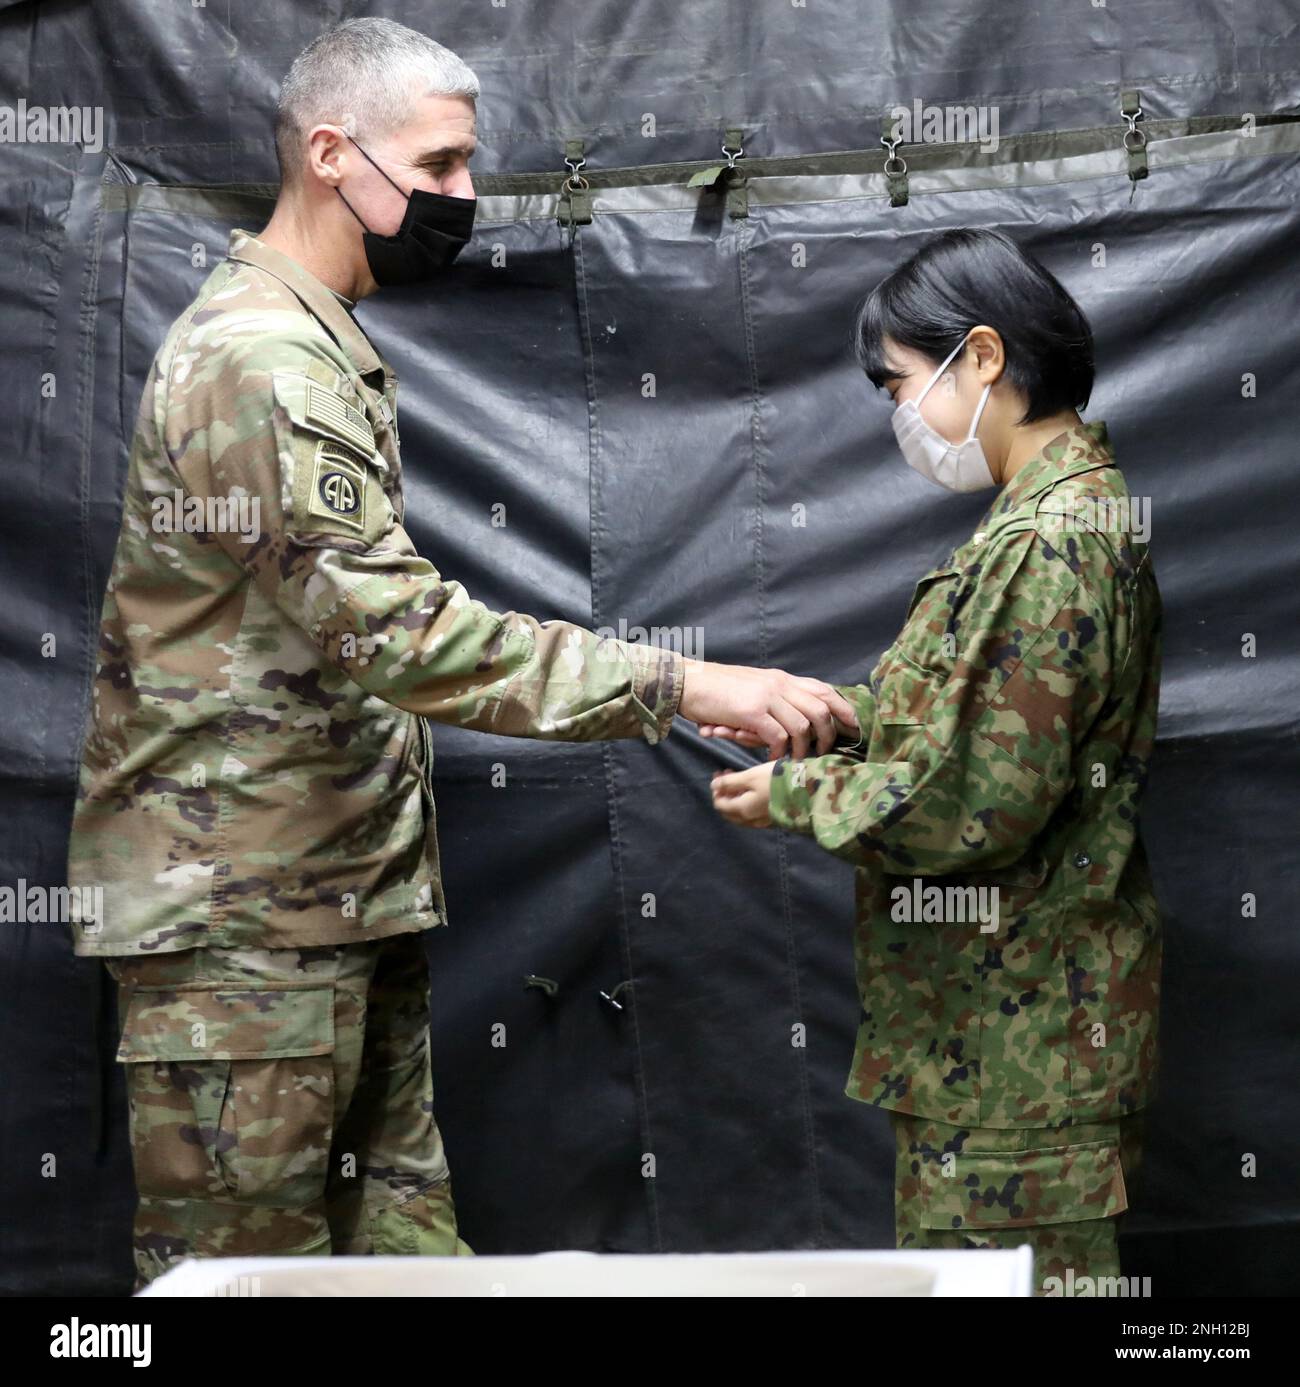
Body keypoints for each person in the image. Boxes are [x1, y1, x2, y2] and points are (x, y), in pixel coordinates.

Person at [66, 17, 855, 1289]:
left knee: (402, 1272)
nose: (463, 197)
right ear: (332, 154)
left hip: (328, 909)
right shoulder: (260, 362)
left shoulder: (309, 340)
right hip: (242, 934)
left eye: (462, 167)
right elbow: (401, 635)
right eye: (435, 168)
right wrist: (686, 680)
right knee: (240, 1278)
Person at [709, 228, 1162, 1295]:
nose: (898, 415)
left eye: (901, 382)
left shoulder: (1049, 541)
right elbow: (990, 726)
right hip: (999, 1045)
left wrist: (793, 792)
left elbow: (974, 803)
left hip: (1018, 1058)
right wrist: (836, 719)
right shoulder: (1058, 515)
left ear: (984, 357)